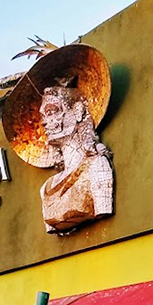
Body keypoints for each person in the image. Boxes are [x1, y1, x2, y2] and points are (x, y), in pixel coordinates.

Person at [38, 84, 114, 234]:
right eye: (43, 116)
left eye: (51, 112)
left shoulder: (97, 166)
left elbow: (103, 209)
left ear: (77, 111)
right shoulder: (46, 188)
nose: (44, 122)